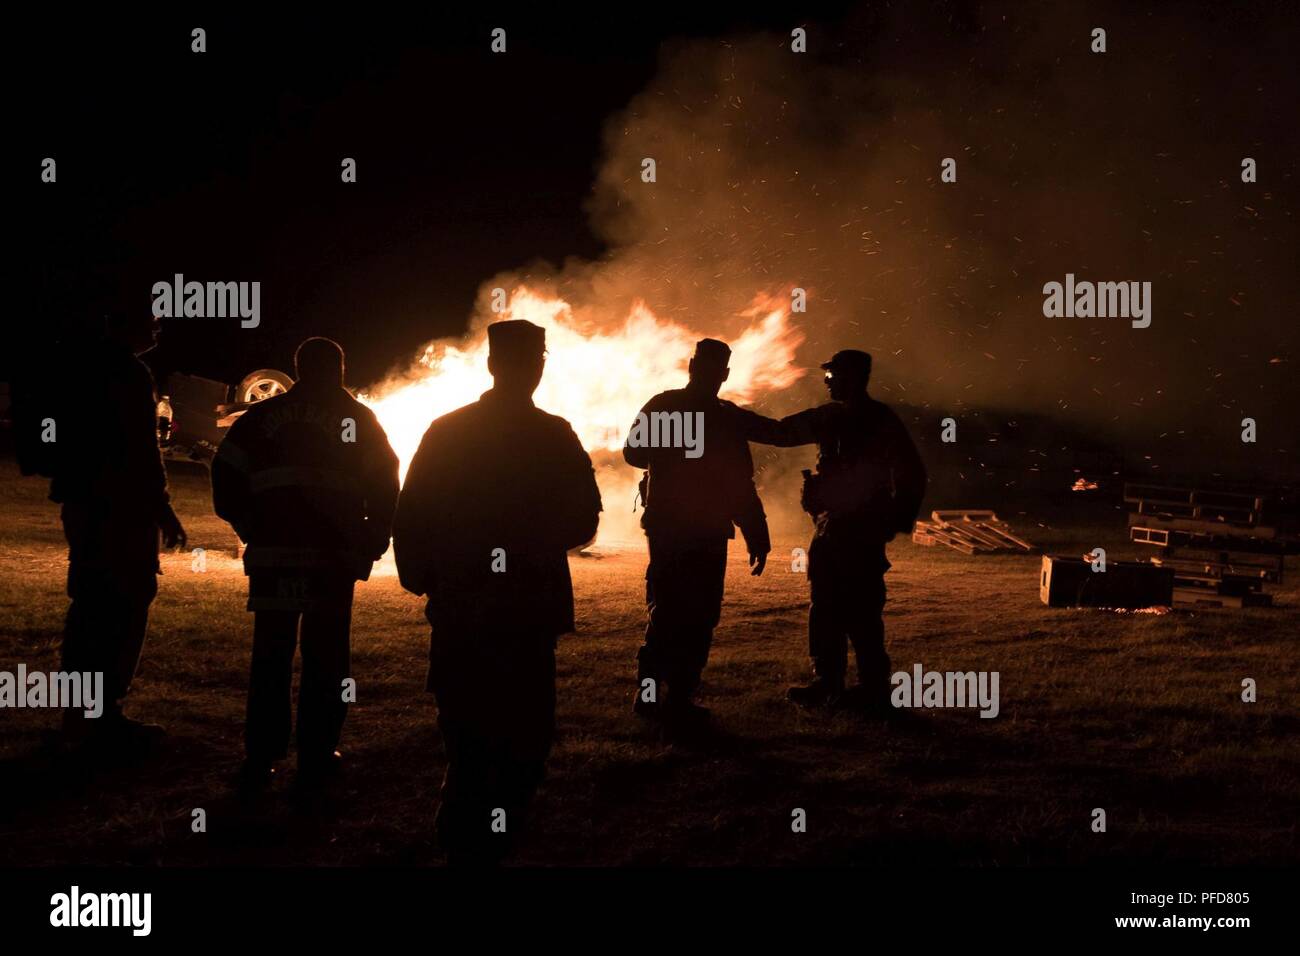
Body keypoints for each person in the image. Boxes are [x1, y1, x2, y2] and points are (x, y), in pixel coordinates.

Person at [393, 319, 602, 865]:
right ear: (535, 368)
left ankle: (463, 813)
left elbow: (411, 512)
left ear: (492, 366)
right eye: (532, 362)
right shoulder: (554, 434)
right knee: (523, 716)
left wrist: (423, 575)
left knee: (464, 711)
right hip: (528, 604)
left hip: (464, 599)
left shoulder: (449, 429)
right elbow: (583, 520)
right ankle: (503, 817)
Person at [211, 337, 399, 788]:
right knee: (327, 655)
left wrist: (249, 524)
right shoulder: (357, 418)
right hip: (330, 560)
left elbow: (225, 470)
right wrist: (373, 535)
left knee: (271, 653)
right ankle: (317, 752)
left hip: (273, 556)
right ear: (339, 368)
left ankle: (261, 753)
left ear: (297, 370)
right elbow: (386, 479)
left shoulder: (262, 417)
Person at [748, 350, 927, 713]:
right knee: (834, 607)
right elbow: (912, 474)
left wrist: (892, 522)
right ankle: (840, 684)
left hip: (852, 530)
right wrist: (892, 522)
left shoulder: (847, 418)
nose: (827, 383)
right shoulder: (876, 418)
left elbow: (779, 432)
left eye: (832, 377)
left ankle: (857, 686)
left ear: (851, 378)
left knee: (850, 609)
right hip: (839, 528)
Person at [51, 310, 186, 752]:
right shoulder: (128, 372)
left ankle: (79, 716)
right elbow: (141, 449)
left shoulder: (80, 365)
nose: (157, 329)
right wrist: (162, 509)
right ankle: (104, 715)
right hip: (123, 509)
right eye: (150, 322)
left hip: (84, 504)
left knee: (90, 600)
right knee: (124, 602)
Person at [623, 338, 771, 733]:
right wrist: (756, 532)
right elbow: (741, 483)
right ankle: (672, 696)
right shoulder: (724, 416)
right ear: (721, 373)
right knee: (691, 612)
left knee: (678, 611)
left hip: (676, 527)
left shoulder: (666, 404)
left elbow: (634, 454)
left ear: (694, 366)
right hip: (696, 529)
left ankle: (661, 696)